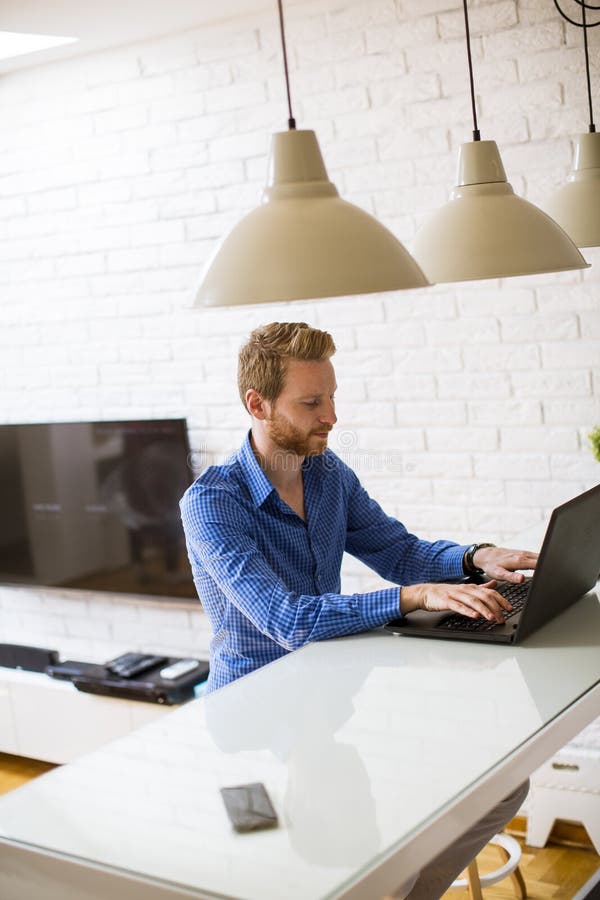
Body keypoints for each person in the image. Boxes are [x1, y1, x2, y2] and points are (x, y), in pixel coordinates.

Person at [180, 321, 533, 896]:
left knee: (504, 787)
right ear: (257, 403)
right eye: (312, 402)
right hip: (254, 723)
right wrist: (413, 596)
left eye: (332, 397)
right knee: (363, 860)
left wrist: (475, 557)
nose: (331, 417)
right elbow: (289, 619)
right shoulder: (213, 504)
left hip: (330, 698)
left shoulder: (327, 475)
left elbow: (399, 550)